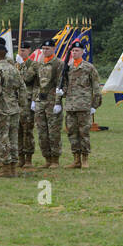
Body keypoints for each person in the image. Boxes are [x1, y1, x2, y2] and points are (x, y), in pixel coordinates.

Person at [63, 41, 102, 169]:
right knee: (72, 132)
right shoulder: (67, 67)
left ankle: (85, 158)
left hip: (84, 105)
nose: (74, 53)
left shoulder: (88, 67)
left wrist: (94, 105)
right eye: (73, 51)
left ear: (82, 52)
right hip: (70, 105)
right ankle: (76, 159)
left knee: (84, 133)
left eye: (77, 51)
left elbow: (96, 88)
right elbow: (64, 85)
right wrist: (60, 93)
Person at [0, 38, 22, 177]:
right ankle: (13, 167)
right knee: (13, 138)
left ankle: (6, 168)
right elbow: (22, 88)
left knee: (2, 138)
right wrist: (21, 105)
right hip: (14, 108)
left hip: (1, 109)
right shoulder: (13, 68)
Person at [34, 39, 66, 168]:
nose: (45, 51)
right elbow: (36, 83)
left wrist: (58, 102)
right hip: (40, 101)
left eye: (48, 48)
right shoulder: (39, 63)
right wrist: (33, 99)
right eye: (43, 48)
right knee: (42, 132)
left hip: (52, 101)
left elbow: (60, 83)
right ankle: (46, 158)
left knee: (53, 132)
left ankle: (55, 159)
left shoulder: (58, 63)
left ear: (53, 49)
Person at [18, 41, 38, 169]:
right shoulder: (15, 64)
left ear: (29, 50)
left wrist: (20, 65)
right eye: (20, 50)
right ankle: (20, 157)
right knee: (17, 130)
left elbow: (26, 79)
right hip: (16, 101)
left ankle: (28, 158)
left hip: (27, 101)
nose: (21, 52)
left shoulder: (33, 64)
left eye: (24, 50)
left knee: (27, 130)